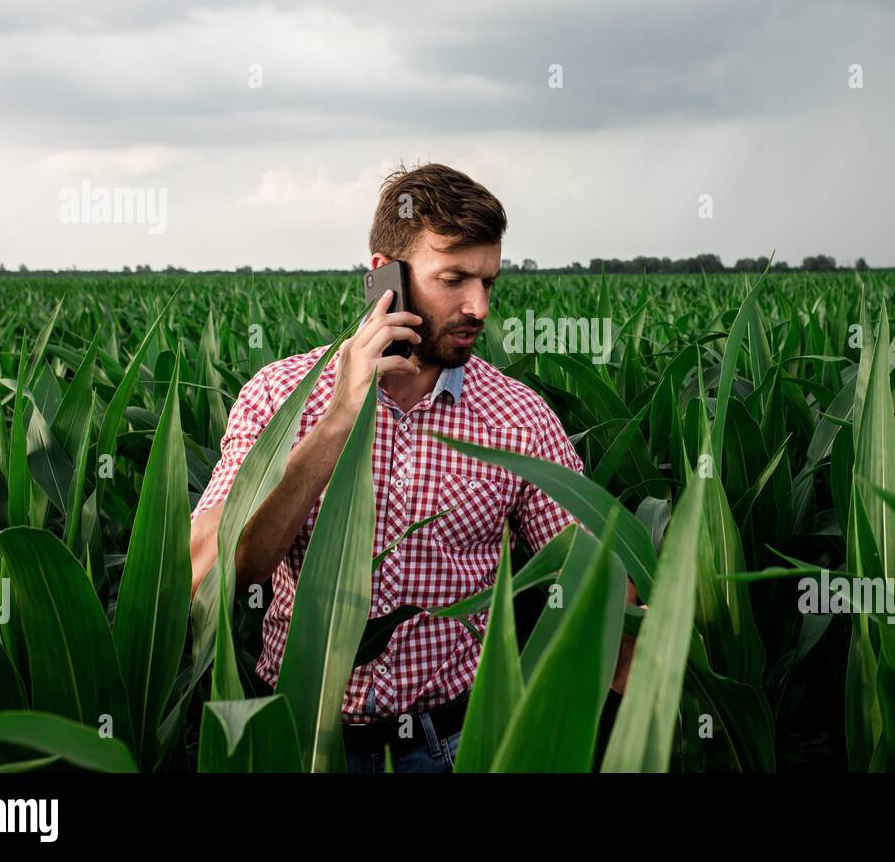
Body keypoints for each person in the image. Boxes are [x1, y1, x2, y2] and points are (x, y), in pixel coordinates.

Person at [188, 162, 637, 772]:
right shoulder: (280, 395)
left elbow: (600, 576)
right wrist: (340, 417)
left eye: (489, 282)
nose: (478, 307)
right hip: (297, 743)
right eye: (453, 279)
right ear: (386, 275)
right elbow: (213, 570)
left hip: (458, 745)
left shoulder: (517, 417)